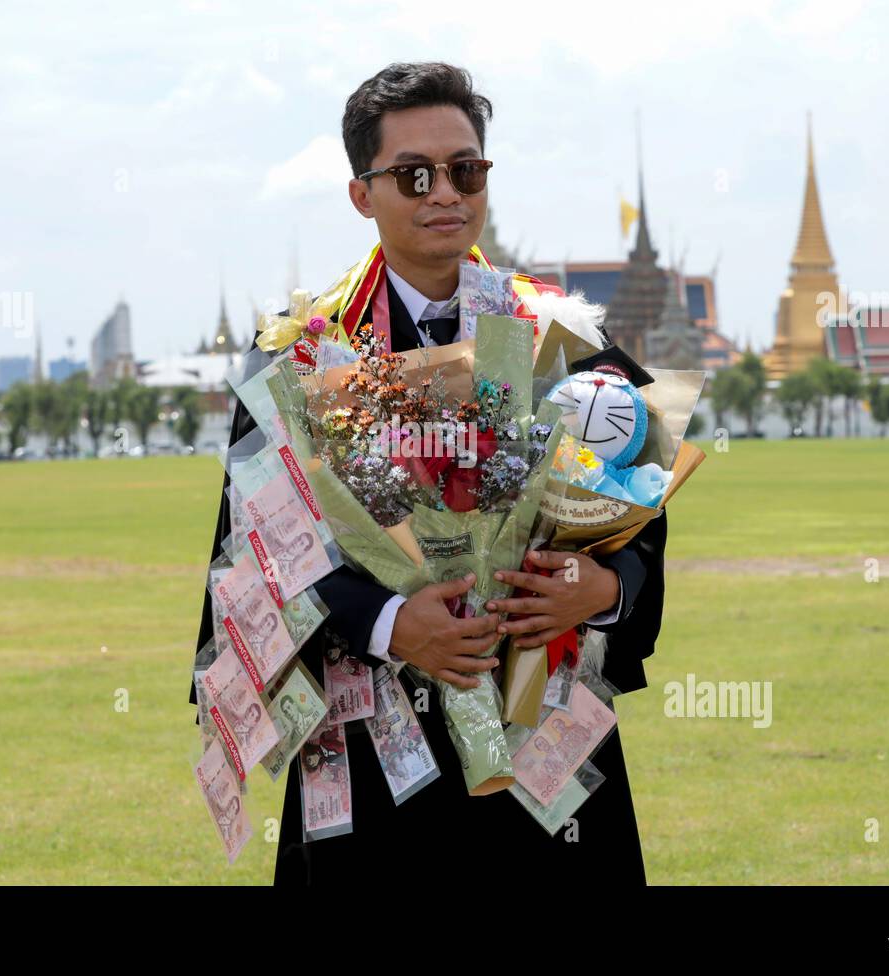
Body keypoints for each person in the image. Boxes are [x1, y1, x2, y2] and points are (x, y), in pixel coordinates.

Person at [192, 62, 667, 885]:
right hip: (377, 758)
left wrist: (604, 589)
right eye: (414, 174)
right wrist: (387, 622)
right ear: (362, 194)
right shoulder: (303, 357)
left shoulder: (566, 341)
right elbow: (255, 559)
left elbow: (643, 516)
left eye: (466, 169)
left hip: (542, 735)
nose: (444, 192)